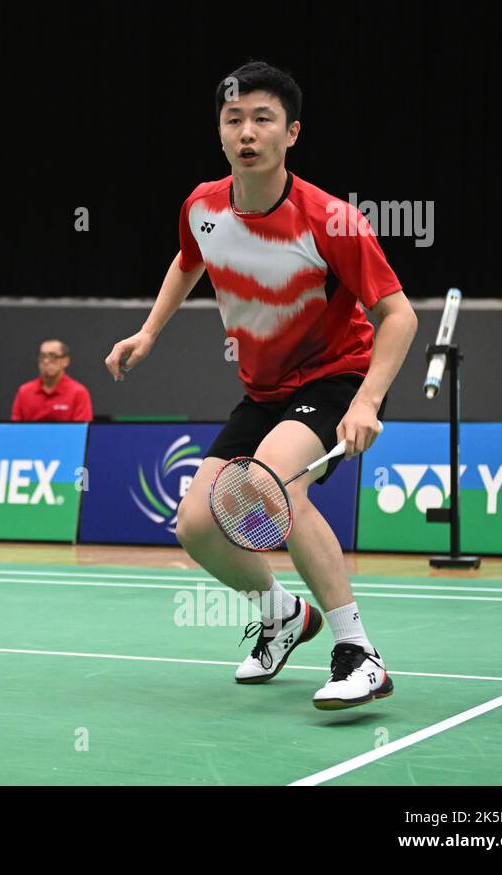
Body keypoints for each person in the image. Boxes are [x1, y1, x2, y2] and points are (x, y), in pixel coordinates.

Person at [103, 61, 418, 712]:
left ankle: (359, 652)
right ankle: (282, 616)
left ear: (292, 132)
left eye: (263, 119)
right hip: (265, 389)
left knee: (272, 484)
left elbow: (399, 315)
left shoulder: (329, 220)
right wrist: (149, 333)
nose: (247, 132)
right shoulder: (203, 205)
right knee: (194, 524)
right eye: (234, 119)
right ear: (221, 133)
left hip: (335, 376)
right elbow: (189, 259)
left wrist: (366, 401)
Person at [11, 339, 93, 422]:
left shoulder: (78, 393)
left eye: (53, 356)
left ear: (66, 361)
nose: (46, 361)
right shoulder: (24, 391)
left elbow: (81, 431)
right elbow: (15, 429)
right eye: (43, 356)